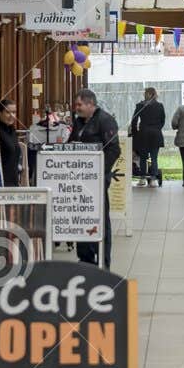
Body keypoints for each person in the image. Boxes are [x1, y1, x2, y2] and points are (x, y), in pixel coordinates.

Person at [70, 87, 120, 268]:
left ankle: (102, 261)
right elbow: (71, 144)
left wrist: (98, 171)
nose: (76, 108)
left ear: (91, 104)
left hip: (97, 180)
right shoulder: (79, 122)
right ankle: (85, 258)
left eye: (79, 104)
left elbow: (114, 149)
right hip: (79, 181)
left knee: (99, 218)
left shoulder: (105, 121)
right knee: (80, 217)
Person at [129, 86, 166, 188]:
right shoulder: (160, 106)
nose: (144, 94)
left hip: (143, 134)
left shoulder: (140, 105)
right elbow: (163, 120)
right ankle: (153, 179)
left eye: (145, 92)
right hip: (156, 134)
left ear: (148, 94)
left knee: (143, 158)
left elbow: (134, 120)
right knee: (154, 158)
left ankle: (142, 179)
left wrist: (135, 132)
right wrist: (157, 128)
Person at [0, 98, 22, 187]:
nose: (12, 115)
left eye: (14, 112)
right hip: (2, 183)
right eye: (8, 112)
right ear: (0, 113)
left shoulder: (12, 130)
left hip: (14, 182)